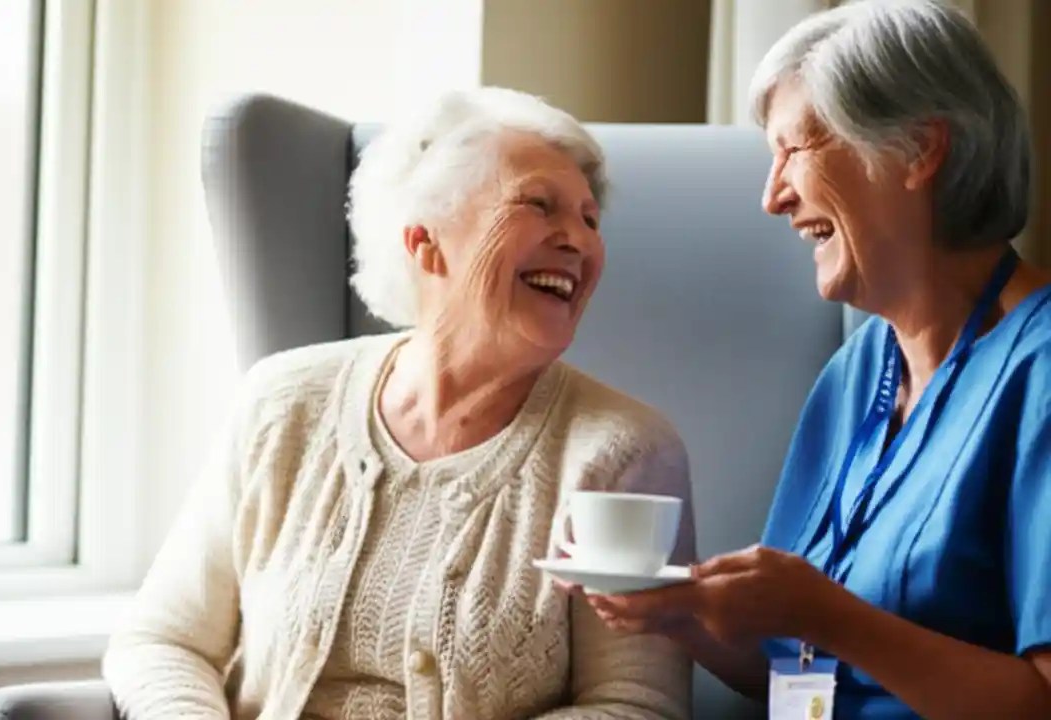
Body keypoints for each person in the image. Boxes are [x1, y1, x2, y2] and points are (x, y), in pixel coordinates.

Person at [102, 87, 696, 720]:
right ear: (425, 242)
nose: (578, 241)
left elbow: (636, 706)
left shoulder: (621, 450)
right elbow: (162, 640)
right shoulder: (281, 403)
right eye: (538, 205)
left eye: (590, 220)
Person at [581, 2, 1051, 718]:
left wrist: (827, 614)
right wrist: (680, 614)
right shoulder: (858, 372)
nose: (772, 197)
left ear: (920, 149)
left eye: (792, 149)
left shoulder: (1041, 370)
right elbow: (794, 664)